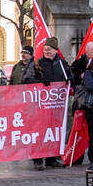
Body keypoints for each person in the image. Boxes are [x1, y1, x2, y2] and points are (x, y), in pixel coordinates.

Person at [26, 39, 71, 169]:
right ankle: (38, 159)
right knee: (40, 131)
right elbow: (27, 79)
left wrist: (70, 80)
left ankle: (51, 158)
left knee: (54, 131)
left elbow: (69, 76)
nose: (46, 51)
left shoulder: (62, 63)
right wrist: (40, 82)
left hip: (56, 105)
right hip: (41, 105)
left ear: (55, 50)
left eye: (49, 49)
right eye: (45, 49)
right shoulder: (36, 64)